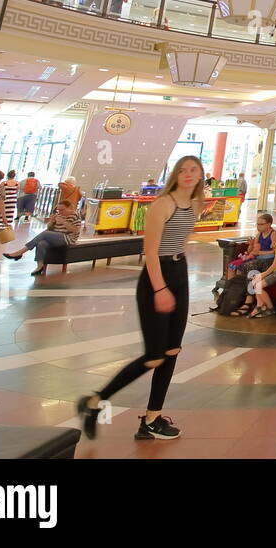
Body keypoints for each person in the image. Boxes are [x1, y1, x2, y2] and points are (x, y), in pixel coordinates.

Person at [77, 155, 205, 442]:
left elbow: (180, 242)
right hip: (156, 277)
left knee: (172, 352)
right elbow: (151, 251)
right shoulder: (164, 203)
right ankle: (94, 401)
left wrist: (178, 278)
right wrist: (160, 289)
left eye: (193, 170)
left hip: (179, 272)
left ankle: (152, 419)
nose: (187, 174)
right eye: (182, 169)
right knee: (154, 356)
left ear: (200, 176)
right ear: (175, 174)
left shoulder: (194, 204)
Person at [3, 199, 83, 275]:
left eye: (62, 210)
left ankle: (20, 252)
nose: (60, 212)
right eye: (59, 210)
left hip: (68, 238)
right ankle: (39, 266)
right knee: (41, 243)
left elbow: (75, 230)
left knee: (45, 234)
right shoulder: (59, 215)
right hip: (55, 236)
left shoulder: (75, 215)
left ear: (69, 208)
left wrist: (64, 222)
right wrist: (51, 221)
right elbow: (50, 228)